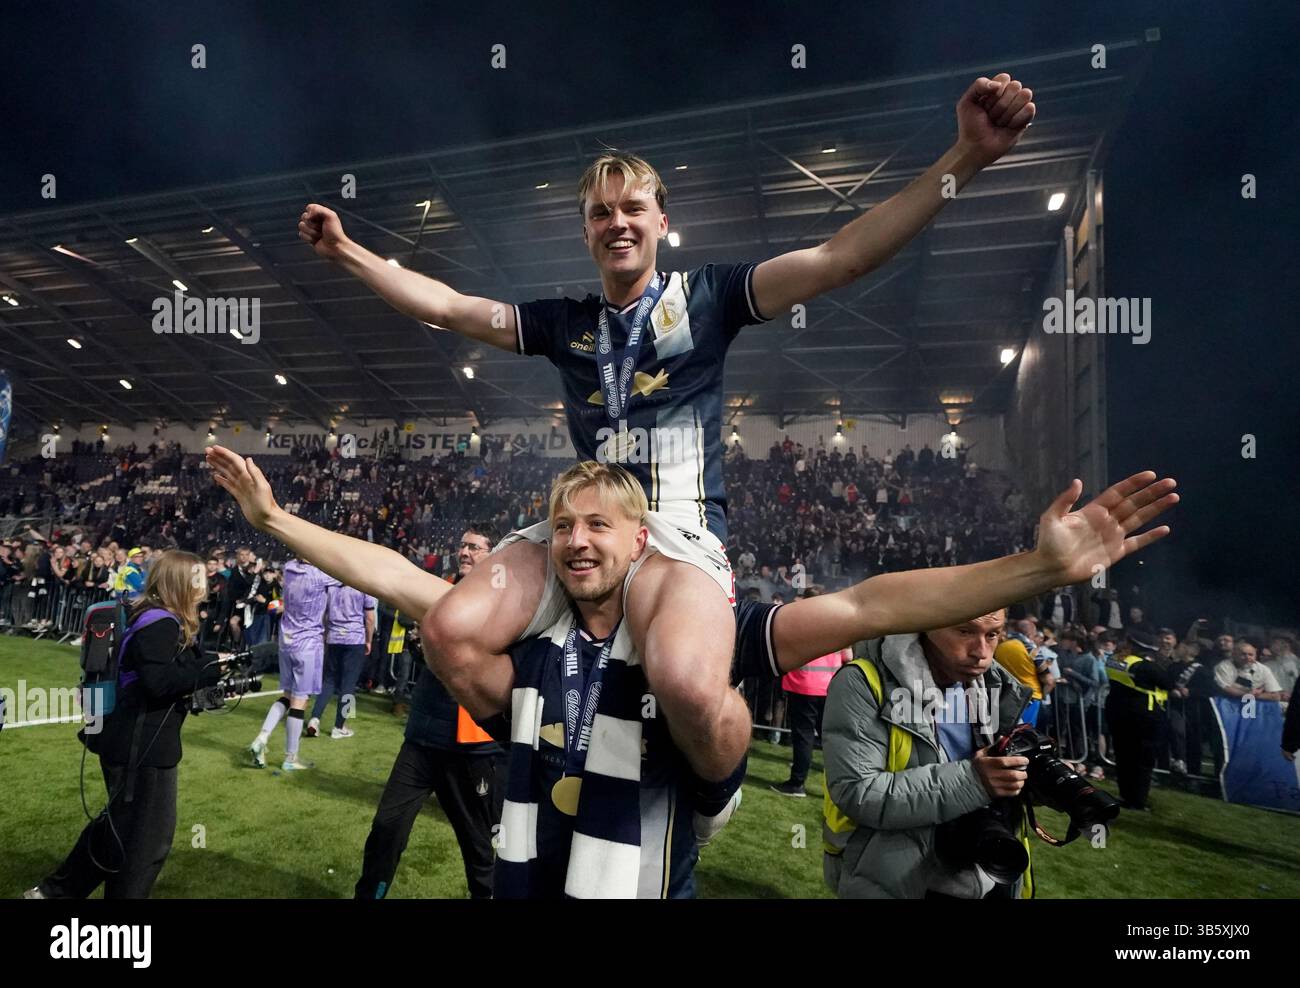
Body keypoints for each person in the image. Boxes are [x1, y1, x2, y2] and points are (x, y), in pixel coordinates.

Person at [298, 73, 1040, 788]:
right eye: (600, 212)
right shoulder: (565, 324)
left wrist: (966, 156)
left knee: (688, 682)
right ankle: (553, 749)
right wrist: (346, 251)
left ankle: (715, 790)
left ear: (661, 219)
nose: (617, 222)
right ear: (586, 231)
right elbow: (449, 307)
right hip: (586, 529)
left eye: (632, 208)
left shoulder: (711, 298)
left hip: (679, 531)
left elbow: (842, 256)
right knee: (450, 633)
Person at [26, 551, 226, 898]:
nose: (203, 584)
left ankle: (53, 892)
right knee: (146, 842)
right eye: (198, 578)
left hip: (131, 740)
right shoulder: (162, 623)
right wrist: (209, 667)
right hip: (140, 746)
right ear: (181, 583)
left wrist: (207, 666)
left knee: (118, 827)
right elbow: (158, 683)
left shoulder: (154, 616)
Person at [821, 608, 1033, 899]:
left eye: (992, 634)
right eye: (965, 631)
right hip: (897, 878)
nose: (981, 652)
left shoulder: (994, 686)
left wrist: (1030, 781)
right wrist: (974, 781)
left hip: (988, 873)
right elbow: (858, 791)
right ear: (928, 622)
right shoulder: (864, 681)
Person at [355, 525, 508, 900]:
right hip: (423, 740)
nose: (465, 552)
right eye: (462, 545)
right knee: (386, 830)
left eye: (474, 547)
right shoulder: (438, 592)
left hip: (474, 749)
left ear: (494, 554)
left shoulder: (505, 603)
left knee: (480, 850)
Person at [248, 556, 336, 771]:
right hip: (308, 645)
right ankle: (291, 757)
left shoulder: (289, 567)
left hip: (286, 641)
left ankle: (262, 737)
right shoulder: (320, 575)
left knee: (287, 696)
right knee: (300, 701)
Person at [771, 587, 851, 798]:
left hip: (803, 686)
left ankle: (797, 783)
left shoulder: (801, 623)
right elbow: (848, 656)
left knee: (804, 737)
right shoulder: (838, 624)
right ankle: (844, 786)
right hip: (829, 687)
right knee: (829, 738)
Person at [1104, 629, 1182, 811]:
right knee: (1143, 760)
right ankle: (1137, 800)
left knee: (1123, 757)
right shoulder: (1145, 666)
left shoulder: (1114, 659)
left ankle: (1125, 795)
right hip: (1143, 717)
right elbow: (1168, 682)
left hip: (1117, 712)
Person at [306, 582, 376, 739]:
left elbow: (324, 614)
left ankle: (315, 718)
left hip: (334, 637)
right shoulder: (364, 586)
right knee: (348, 685)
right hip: (355, 639)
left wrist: (326, 634)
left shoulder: (330, 585)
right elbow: (370, 618)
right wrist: (369, 639)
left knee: (328, 681)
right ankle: (339, 726)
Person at [1214, 640, 1284, 702]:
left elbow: (1276, 696)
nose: (1247, 657)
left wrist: (1253, 696)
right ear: (1234, 655)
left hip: (1255, 707)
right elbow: (1226, 689)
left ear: (1256, 656)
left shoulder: (1263, 669)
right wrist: (1249, 694)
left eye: (1251, 655)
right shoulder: (1223, 666)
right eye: (1243, 654)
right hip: (1228, 704)